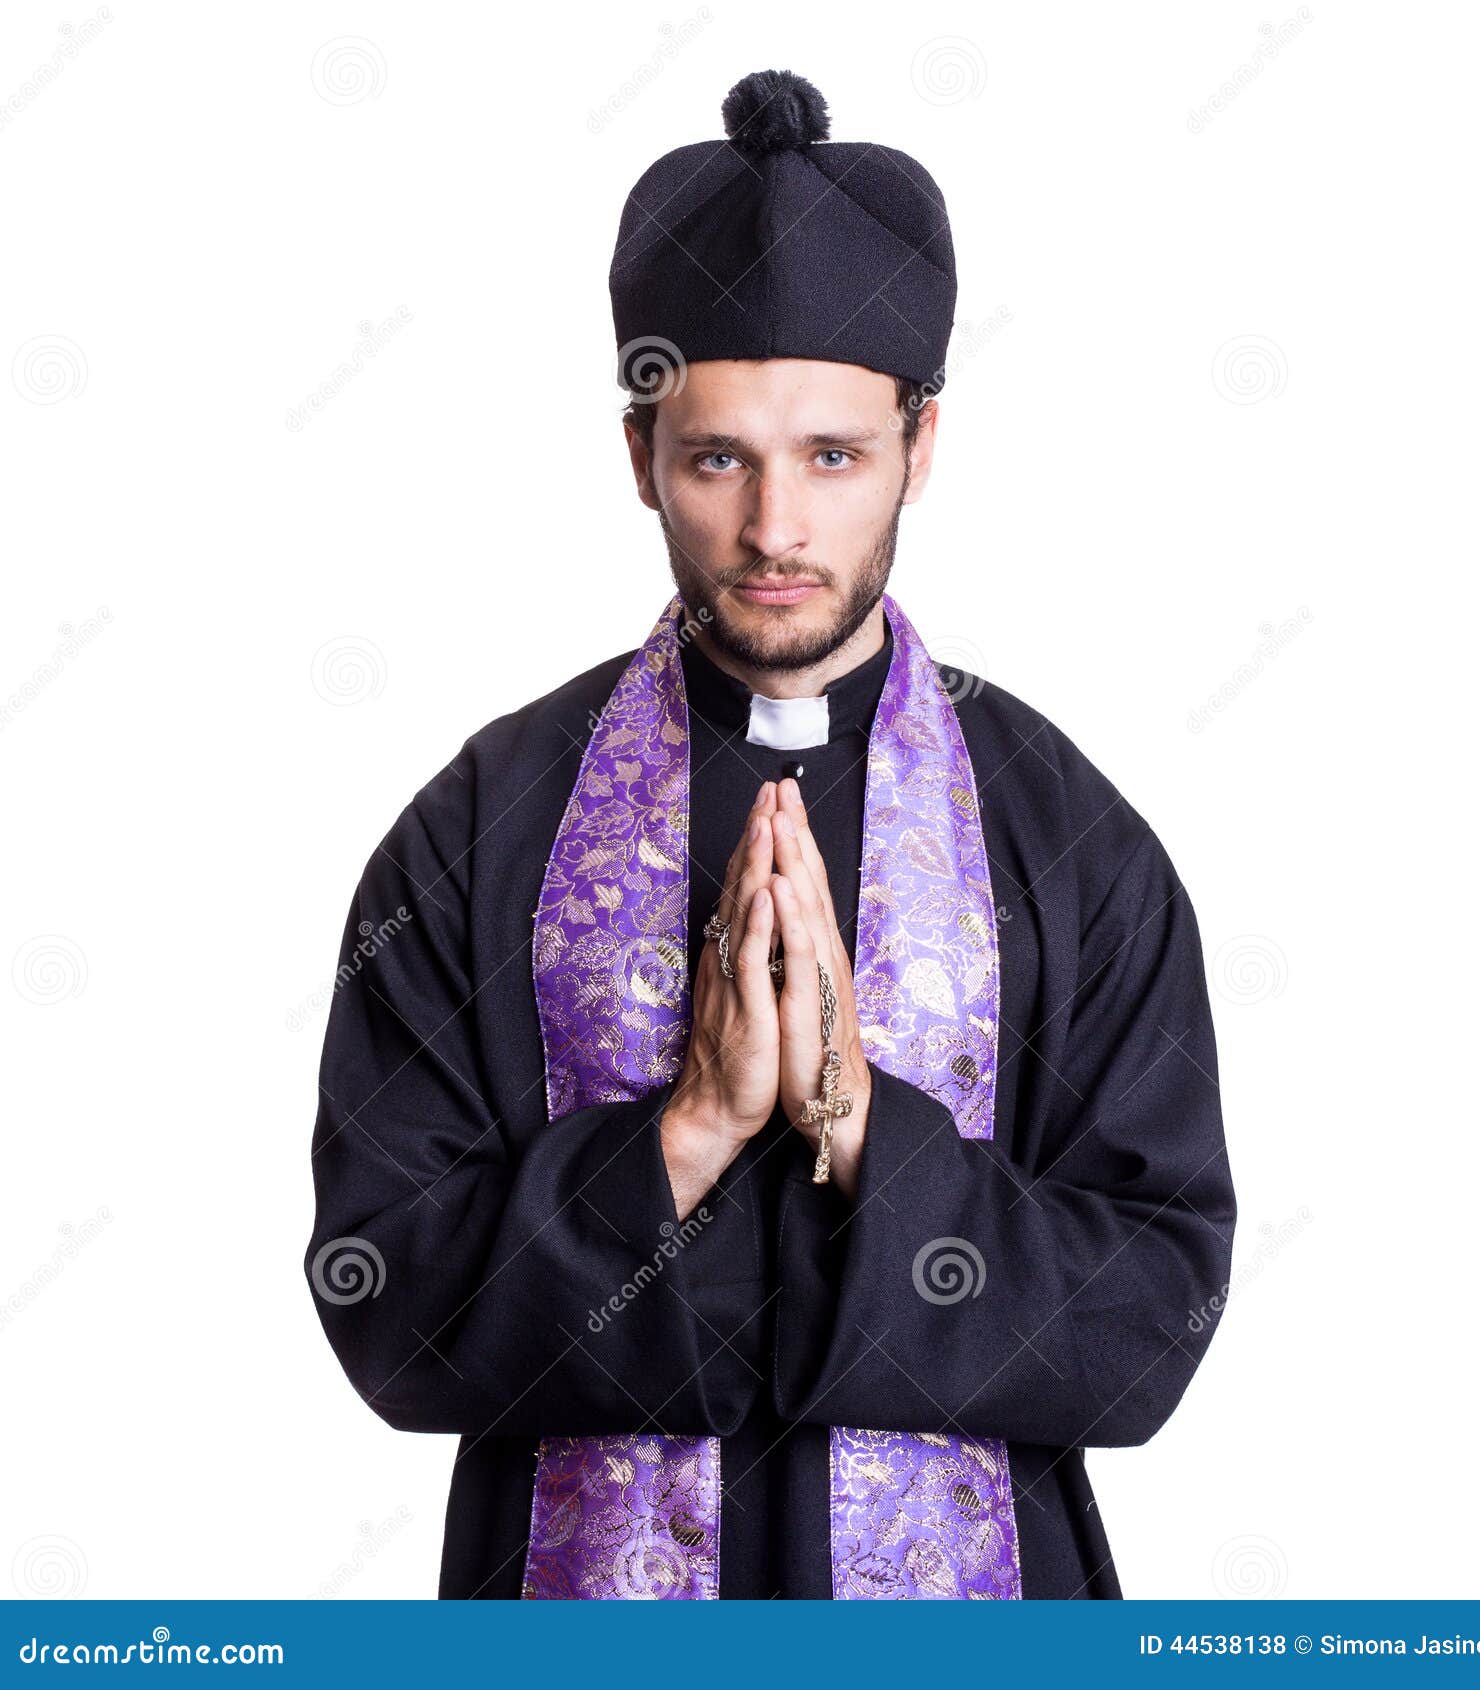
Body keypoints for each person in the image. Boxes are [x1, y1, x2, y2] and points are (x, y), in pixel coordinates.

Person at [304, 68, 1235, 1600]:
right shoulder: (483, 830)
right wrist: (677, 1140)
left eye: (833, 456)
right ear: (638, 455)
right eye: (717, 455)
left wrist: (870, 1132)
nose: (776, 530)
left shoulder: (1066, 840)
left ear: (920, 445)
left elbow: (1158, 1316)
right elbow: (380, 1301)